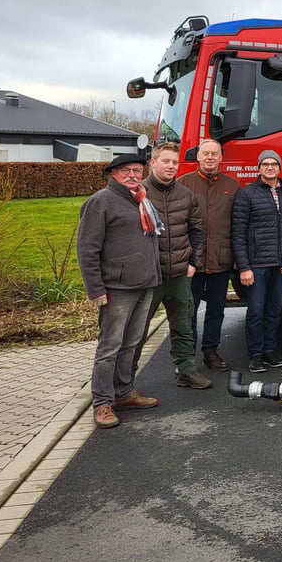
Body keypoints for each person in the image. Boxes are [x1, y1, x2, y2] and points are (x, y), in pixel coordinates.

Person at [77, 154, 162, 429]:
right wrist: (96, 289)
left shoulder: (141, 199)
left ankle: (123, 393)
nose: (133, 175)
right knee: (110, 347)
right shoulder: (100, 202)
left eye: (137, 170)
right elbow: (87, 249)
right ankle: (102, 403)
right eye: (125, 170)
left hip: (145, 284)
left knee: (132, 343)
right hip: (117, 288)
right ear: (113, 173)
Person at [130, 142, 211, 390]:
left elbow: (197, 230)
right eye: (165, 161)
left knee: (183, 326)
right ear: (152, 163)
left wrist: (192, 263)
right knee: (136, 331)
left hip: (179, 274)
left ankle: (186, 371)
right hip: (148, 277)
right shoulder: (136, 194)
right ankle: (124, 383)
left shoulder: (185, 195)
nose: (171, 166)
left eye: (174, 162)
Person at [232, 150, 282, 373]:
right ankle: (256, 356)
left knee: (275, 310)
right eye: (265, 164)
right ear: (259, 168)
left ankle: (270, 351)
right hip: (256, 265)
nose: (270, 168)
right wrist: (244, 267)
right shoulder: (246, 194)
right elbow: (238, 233)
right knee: (256, 311)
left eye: (274, 164)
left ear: (280, 168)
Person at [178, 139, 240, 373]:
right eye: (206, 154)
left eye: (215, 154)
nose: (210, 158)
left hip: (221, 261)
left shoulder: (232, 186)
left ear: (221, 158)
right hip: (192, 262)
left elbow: (238, 225)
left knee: (216, 310)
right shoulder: (183, 185)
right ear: (198, 157)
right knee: (189, 311)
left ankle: (211, 352)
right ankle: (187, 355)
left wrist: (236, 257)